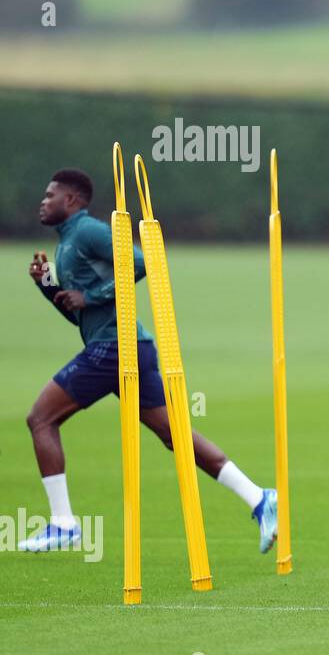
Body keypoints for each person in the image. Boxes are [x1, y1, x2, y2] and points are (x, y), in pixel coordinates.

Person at [22, 169, 277, 554]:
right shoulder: (65, 244)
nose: (43, 202)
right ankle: (259, 498)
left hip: (113, 348)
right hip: (125, 347)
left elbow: (141, 262)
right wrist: (47, 286)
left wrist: (90, 297)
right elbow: (78, 316)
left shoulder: (87, 231)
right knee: (176, 436)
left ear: (71, 200)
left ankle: (63, 524)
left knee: (40, 419)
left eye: (49, 195)